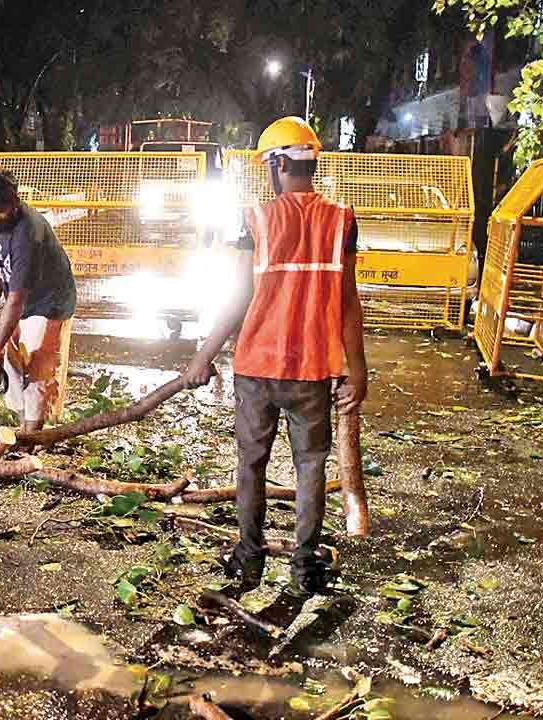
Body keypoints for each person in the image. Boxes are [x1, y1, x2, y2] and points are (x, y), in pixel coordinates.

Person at [181, 117, 368, 597]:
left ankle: (249, 557)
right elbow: (348, 299)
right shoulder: (341, 221)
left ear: (280, 164)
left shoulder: (258, 220)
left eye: (269, 164)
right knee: (310, 466)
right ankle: (305, 565)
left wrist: (203, 356)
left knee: (251, 464)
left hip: (257, 367)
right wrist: (358, 370)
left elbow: (238, 296)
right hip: (312, 370)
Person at [0, 169, 77, 431]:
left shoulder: (27, 232)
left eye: (0, 211)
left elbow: (17, 300)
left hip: (49, 301)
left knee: (37, 363)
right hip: (19, 300)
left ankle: (32, 438)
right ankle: (24, 426)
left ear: (15, 202)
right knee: (12, 365)